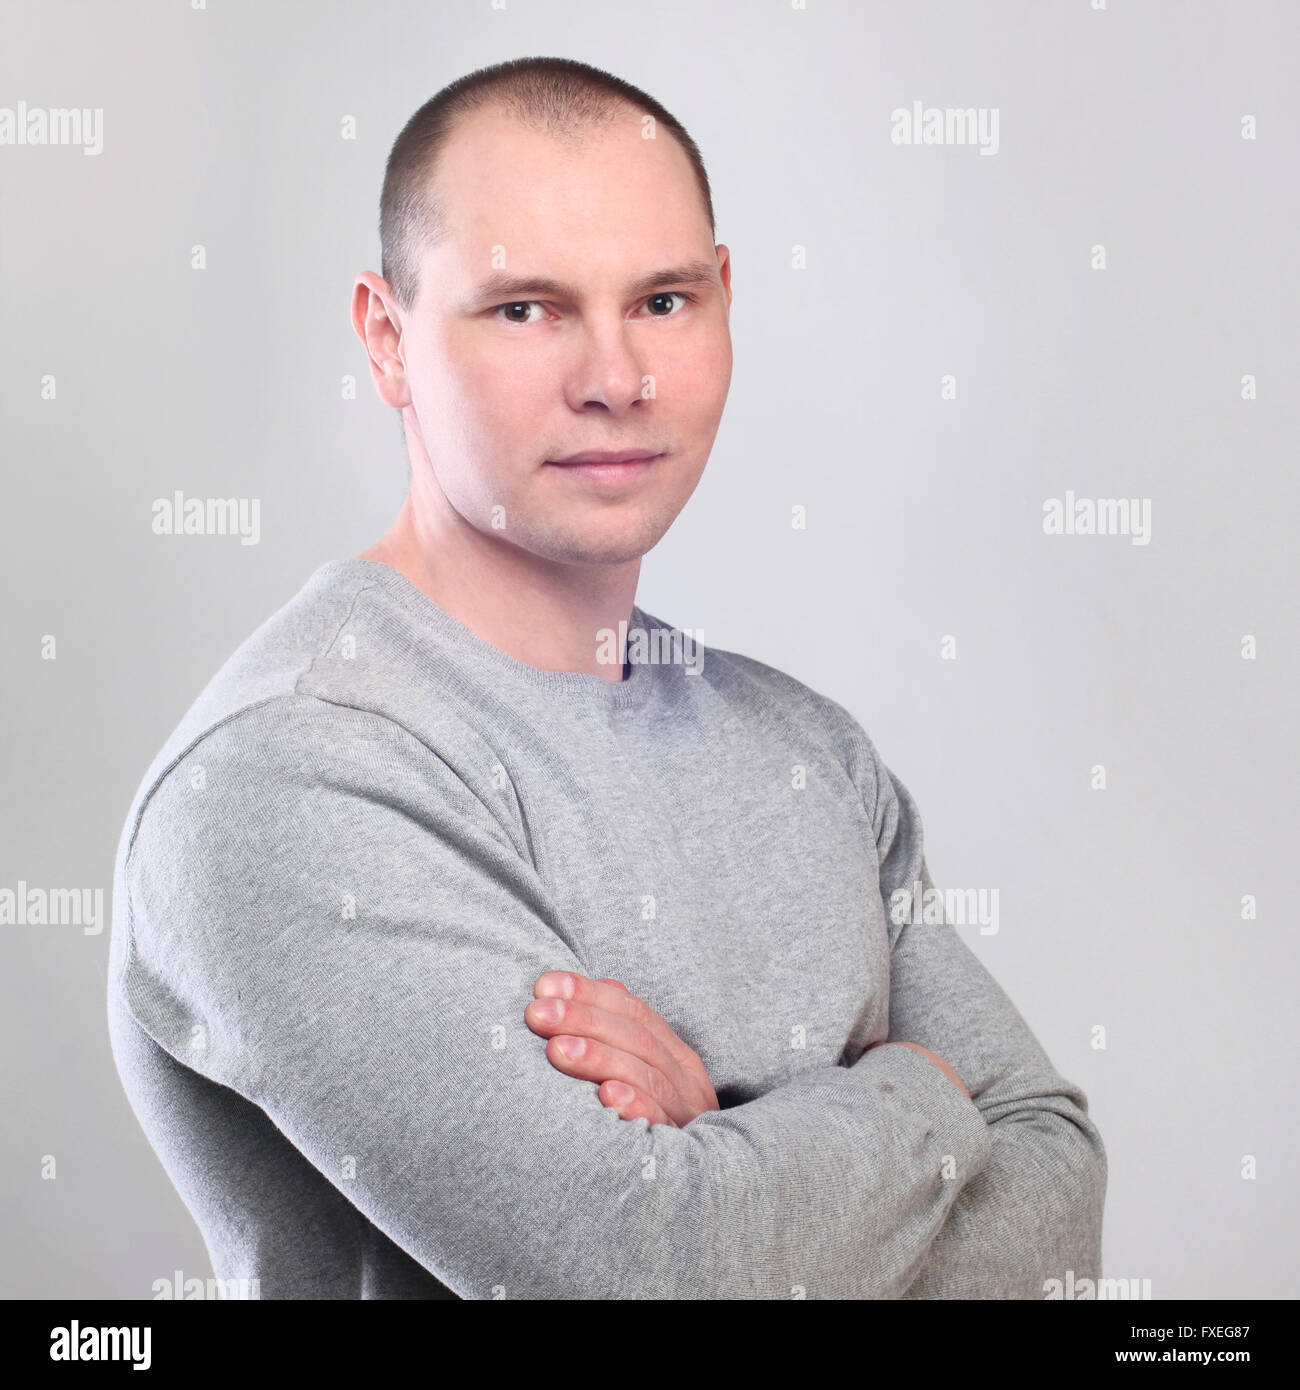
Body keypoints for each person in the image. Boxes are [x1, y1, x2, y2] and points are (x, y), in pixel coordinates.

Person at [107, 55, 1106, 1299]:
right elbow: (646, 1271)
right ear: (387, 336)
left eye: (665, 301)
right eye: (525, 309)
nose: (616, 376)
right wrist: (924, 1098)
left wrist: (718, 1147)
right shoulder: (291, 773)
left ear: (726, 300)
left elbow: (1056, 1207)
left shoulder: (811, 751)